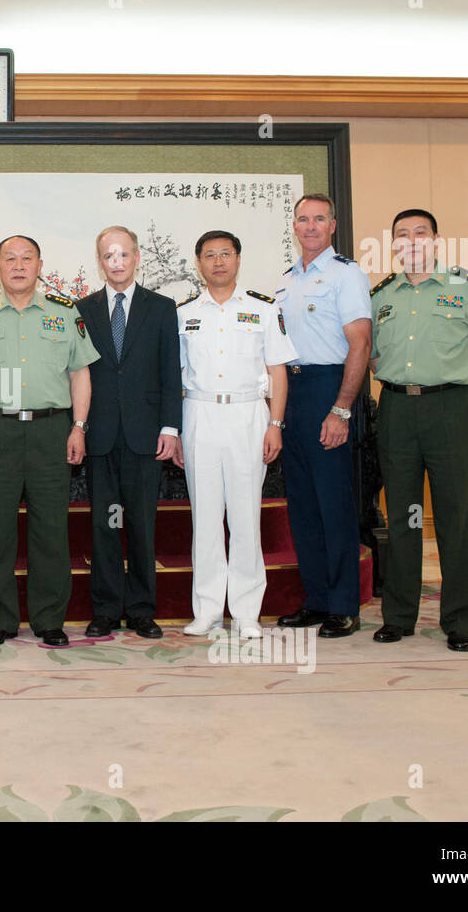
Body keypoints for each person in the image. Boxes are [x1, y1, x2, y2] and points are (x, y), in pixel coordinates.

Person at [0, 235, 100, 648]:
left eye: (26, 258)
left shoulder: (64, 314)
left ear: (39, 265)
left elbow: (80, 373)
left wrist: (78, 427)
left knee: (50, 527)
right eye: (9, 259)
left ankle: (50, 620)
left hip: (52, 429)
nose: (18, 265)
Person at [370, 209, 468, 652]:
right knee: (404, 518)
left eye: (420, 232)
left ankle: (461, 620)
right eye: (402, 234)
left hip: (450, 410)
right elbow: (371, 357)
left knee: (456, 517)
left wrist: (463, 398)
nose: (411, 240)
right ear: (393, 244)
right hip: (396, 412)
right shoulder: (381, 296)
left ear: (436, 241)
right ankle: (399, 616)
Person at [173, 231, 297, 639]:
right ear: (199, 263)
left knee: (245, 518)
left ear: (238, 260)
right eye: (209, 255)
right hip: (200, 412)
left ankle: (246, 612)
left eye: (226, 254)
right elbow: (172, 376)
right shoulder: (183, 313)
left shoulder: (263, 309)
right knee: (205, 519)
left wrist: (275, 424)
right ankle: (206, 609)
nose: (218, 261)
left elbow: (277, 369)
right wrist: (174, 431)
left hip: (248, 414)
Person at [273, 193, 372, 638]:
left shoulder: (346, 275)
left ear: (333, 226)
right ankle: (315, 600)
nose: (310, 226)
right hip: (290, 393)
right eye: (302, 219)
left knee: (334, 506)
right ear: (293, 227)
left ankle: (343, 605)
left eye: (319, 219)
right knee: (304, 507)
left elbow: (360, 345)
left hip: (327, 390)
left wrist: (341, 409)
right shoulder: (286, 282)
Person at [75, 226, 180, 639]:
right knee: (104, 524)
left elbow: (172, 371)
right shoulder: (81, 309)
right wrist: (78, 428)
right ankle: (104, 609)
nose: (116, 262)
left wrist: (170, 426)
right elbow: (77, 374)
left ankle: (140, 609)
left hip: (145, 435)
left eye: (123, 254)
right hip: (99, 435)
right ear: (99, 261)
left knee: (140, 524)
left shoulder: (161, 307)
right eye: (107, 255)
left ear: (137, 257)